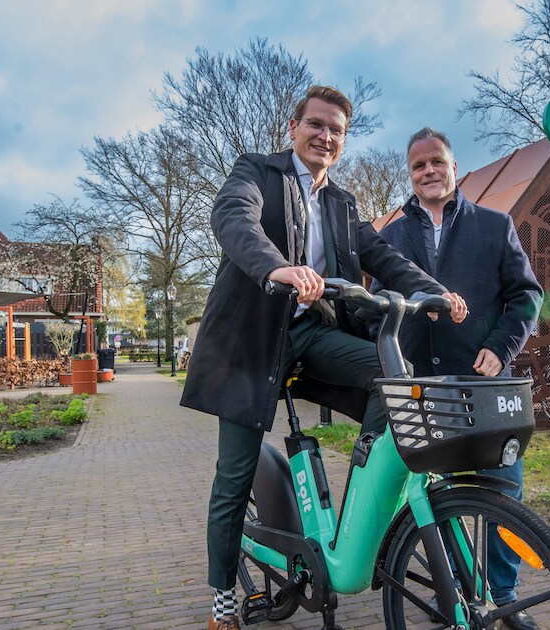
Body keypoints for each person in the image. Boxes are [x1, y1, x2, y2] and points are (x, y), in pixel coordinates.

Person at [181, 88, 467, 630]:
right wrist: (277, 268)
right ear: (293, 128)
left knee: (395, 381)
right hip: (251, 343)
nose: (325, 136)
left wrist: (436, 292)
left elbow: (380, 254)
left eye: (336, 130)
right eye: (316, 125)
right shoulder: (257, 173)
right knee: (235, 473)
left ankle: (362, 479)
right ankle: (221, 596)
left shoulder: (341, 202)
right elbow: (233, 218)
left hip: (311, 334)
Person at [373, 127, 544, 630]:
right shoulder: (391, 237)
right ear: (410, 173)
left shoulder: (495, 226)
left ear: (453, 166)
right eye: (418, 166)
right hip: (422, 390)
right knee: (433, 495)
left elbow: (527, 296)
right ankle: (457, 597)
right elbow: (379, 307)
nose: (428, 172)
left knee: (503, 496)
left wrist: (501, 346)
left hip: (484, 386)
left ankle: (505, 599)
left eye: (436, 163)